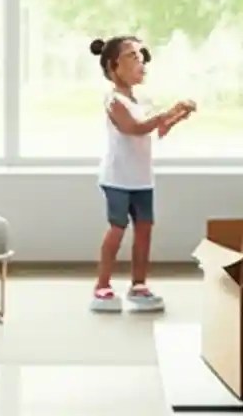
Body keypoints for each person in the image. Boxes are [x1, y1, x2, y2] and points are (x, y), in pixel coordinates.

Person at [88, 36, 196, 313]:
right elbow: (133, 128)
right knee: (117, 227)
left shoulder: (141, 99)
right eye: (133, 57)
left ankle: (138, 284)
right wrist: (165, 113)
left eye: (142, 56)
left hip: (141, 178)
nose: (141, 62)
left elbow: (155, 130)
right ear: (114, 66)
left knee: (144, 229)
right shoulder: (114, 101)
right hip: (117, 178)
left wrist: (175, 117)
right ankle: (102, 284)